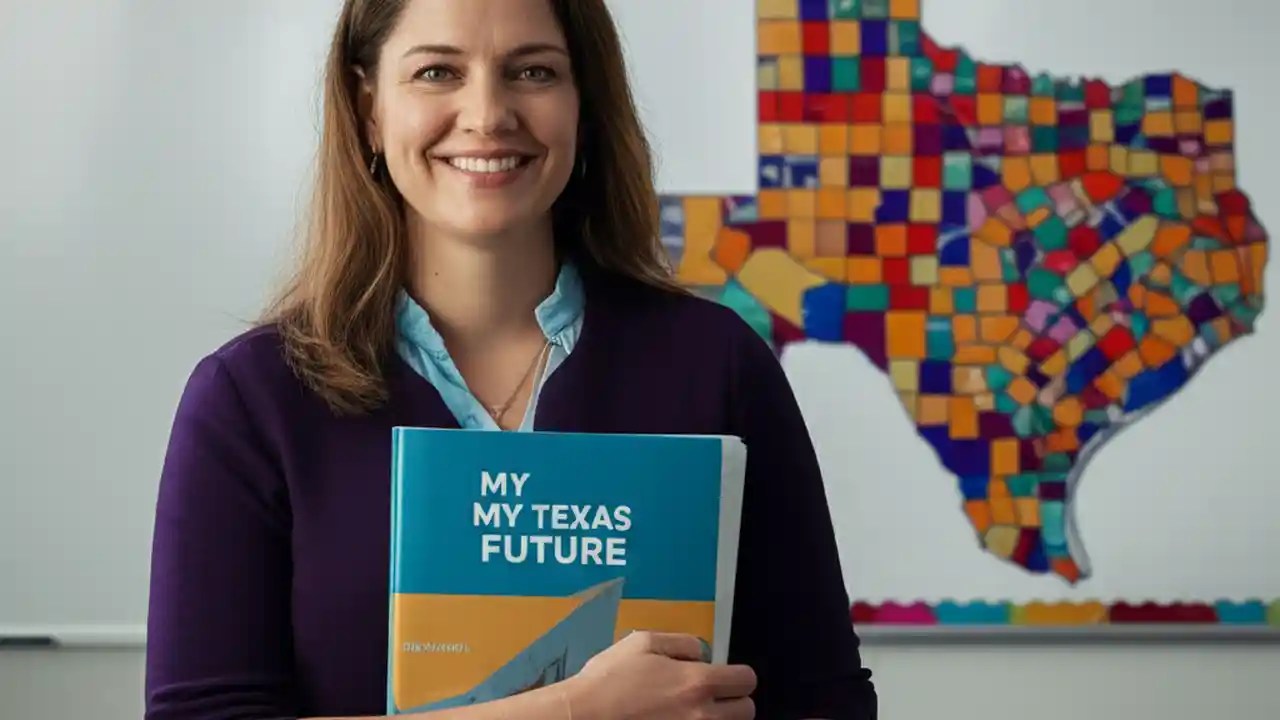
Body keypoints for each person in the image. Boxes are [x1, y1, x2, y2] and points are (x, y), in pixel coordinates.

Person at [144, 0, 878, 718]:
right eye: (437, 72)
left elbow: (823, 700)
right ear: (370, 109)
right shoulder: (253, 400)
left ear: (584, 104)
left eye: (533, 72)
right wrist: (569, 711)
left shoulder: (719, 367)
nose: (488, 113)